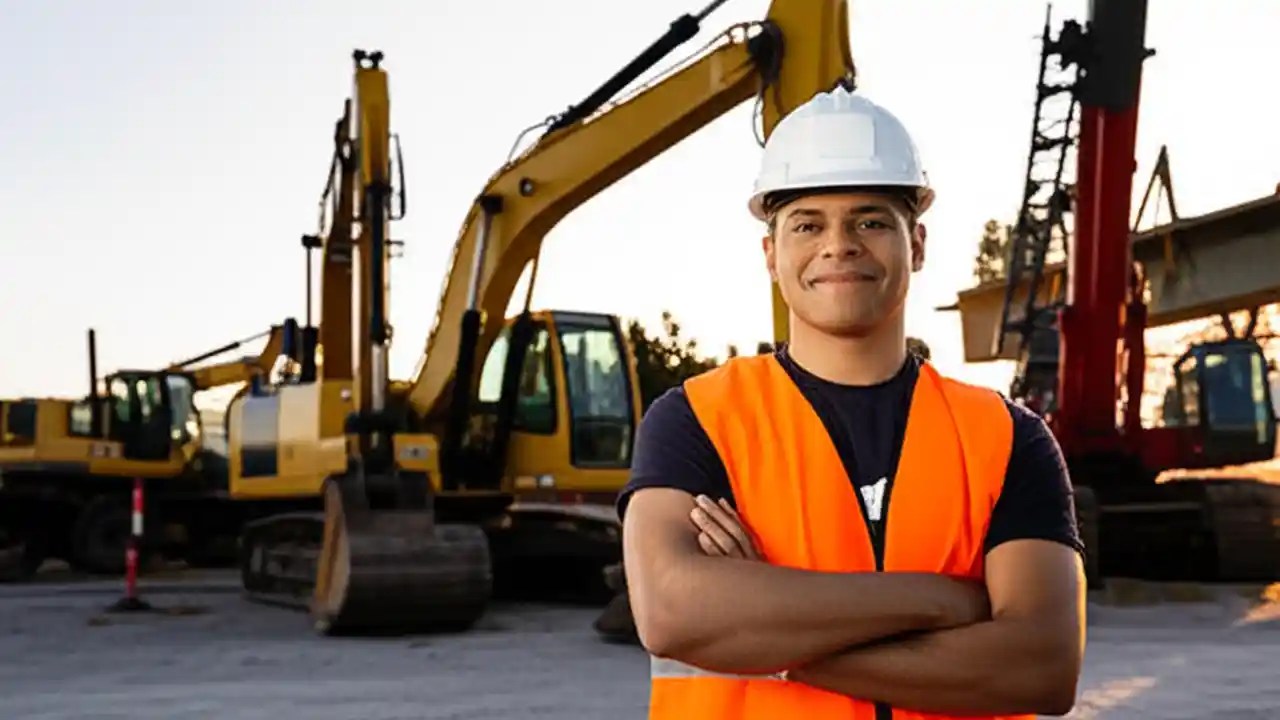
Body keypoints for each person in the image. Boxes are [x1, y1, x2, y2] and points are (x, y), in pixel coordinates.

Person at [618, 87, 1087, 719]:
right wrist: (943, 601)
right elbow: (673, 613)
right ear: (771, 255)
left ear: (916, 245)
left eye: (870, 220)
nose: (839, 244)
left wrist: (767, 638)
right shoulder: (698, 420)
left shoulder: (1007, 437)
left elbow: (1042, 669)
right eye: (808, 224)